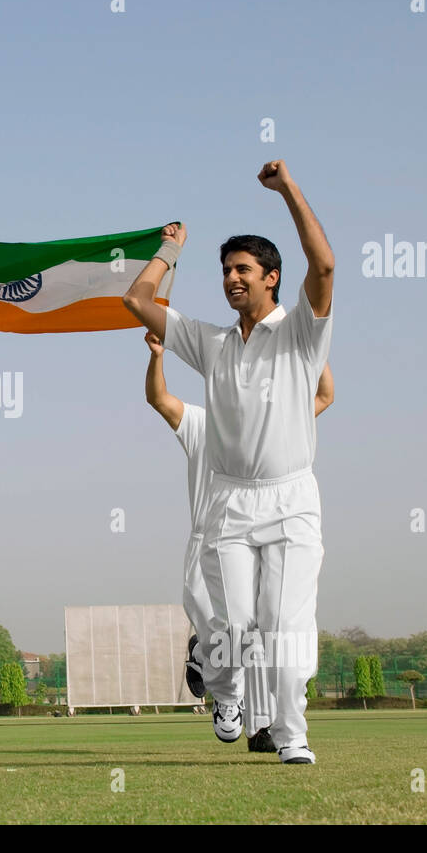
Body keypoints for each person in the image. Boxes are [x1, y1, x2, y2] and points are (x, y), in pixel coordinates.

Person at [123, 160, 334, 765]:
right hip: (232, 503)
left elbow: (324, 267)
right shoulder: (212, 342)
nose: (231, 279)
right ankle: (227, 696)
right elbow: (136, 299)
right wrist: (171, 248)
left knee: (284, 624)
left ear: (272, 278)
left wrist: (289, 188)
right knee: (237, 630)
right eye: (226, 271)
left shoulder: (300, 334)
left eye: (243, 270)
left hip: (291, 499)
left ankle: (292, 738)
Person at [142, 330, 333, 752]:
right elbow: (159, 398)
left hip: (262, 533)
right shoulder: (199, 423)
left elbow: (322, 396)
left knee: (266, 632)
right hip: (211, 538)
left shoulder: (273, 427)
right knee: (229, 635)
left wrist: (310, 347)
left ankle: (261, 727)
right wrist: (158, 355)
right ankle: (219, 684)